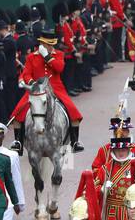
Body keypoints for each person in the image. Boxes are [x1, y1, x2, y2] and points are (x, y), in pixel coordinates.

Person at [9, 24, 85, 152]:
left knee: (73, 112)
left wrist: (47, 57)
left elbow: (59, 68)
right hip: (36, 89)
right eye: (47, 45)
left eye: (51, 44)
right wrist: (33, 83)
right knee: (18, 113)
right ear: (42, 43)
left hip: (55, 88)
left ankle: (74, 142)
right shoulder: (32, 57)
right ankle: (19, 142)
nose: (50, 47)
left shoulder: (58, 54)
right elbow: (26, 73)